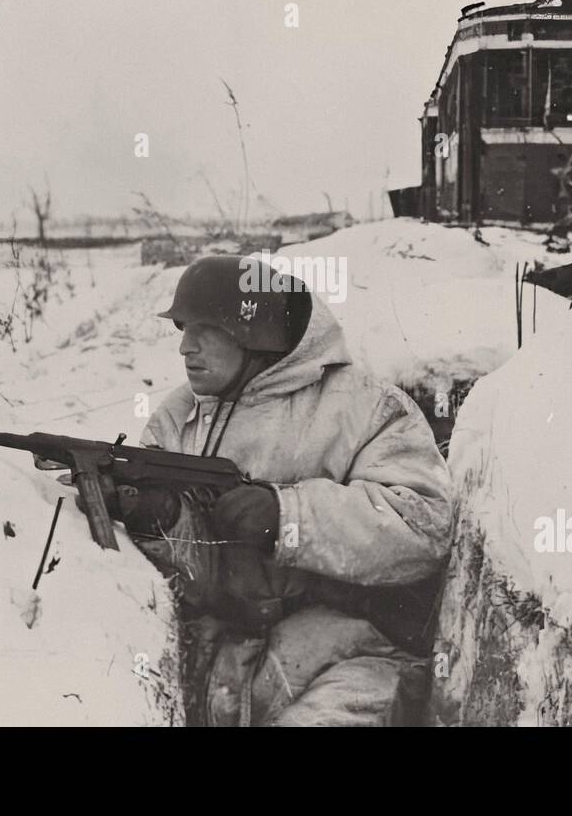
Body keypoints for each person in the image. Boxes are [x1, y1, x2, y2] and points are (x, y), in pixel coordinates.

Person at [93, 253, 453, 726]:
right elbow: (193, 582)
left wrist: (288, 517)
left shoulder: (366, 408)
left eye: (204, 330)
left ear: (253, 333)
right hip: (221, 662)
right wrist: (159, 519)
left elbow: (422, 528)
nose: (185, 347)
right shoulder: (178, 419)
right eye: (183, 329)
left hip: (350, 655)